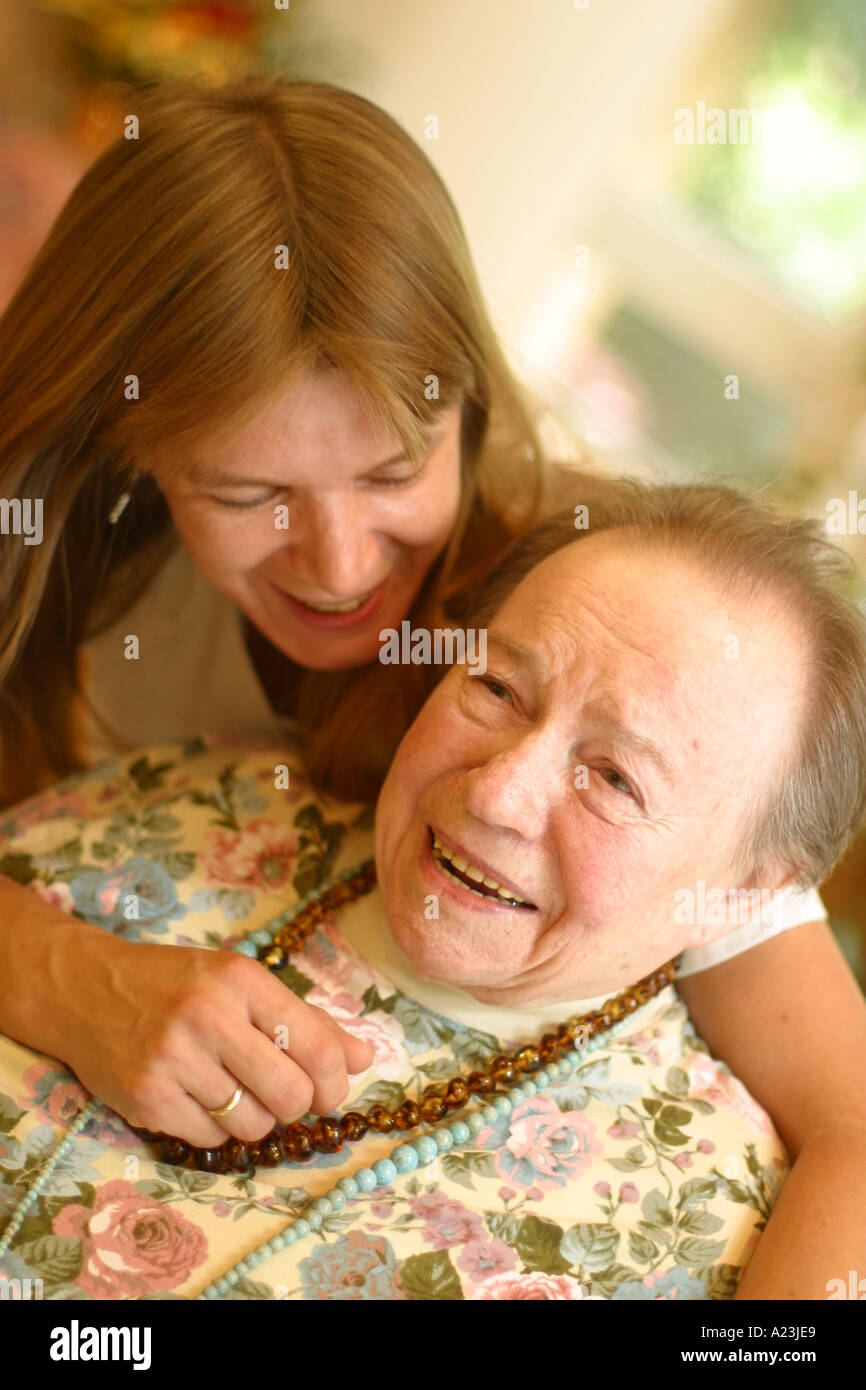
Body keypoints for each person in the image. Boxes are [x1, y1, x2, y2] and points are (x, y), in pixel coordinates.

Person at [0, 482, 863, 1300]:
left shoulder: (715, 1236)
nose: (495, 794)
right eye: (495, 688)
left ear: (754, 888)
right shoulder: (197, 795)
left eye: (614, 778)